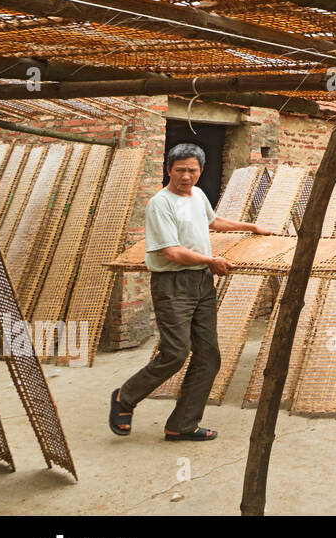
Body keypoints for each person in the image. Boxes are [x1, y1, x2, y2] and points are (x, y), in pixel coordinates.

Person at [108, 143, 276, 442]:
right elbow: (171, 252)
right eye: (180, 170)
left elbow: (212, 222)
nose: (186, 176)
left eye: (192, 170)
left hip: (200, 283)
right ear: (169, 170)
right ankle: (125, 397)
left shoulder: (197, 195)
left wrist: (251, 227)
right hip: (173, 285)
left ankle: (182, 424)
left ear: (200, 171)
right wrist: (211, 261)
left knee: (209, 356)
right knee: (175, 352)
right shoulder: (161, 204)